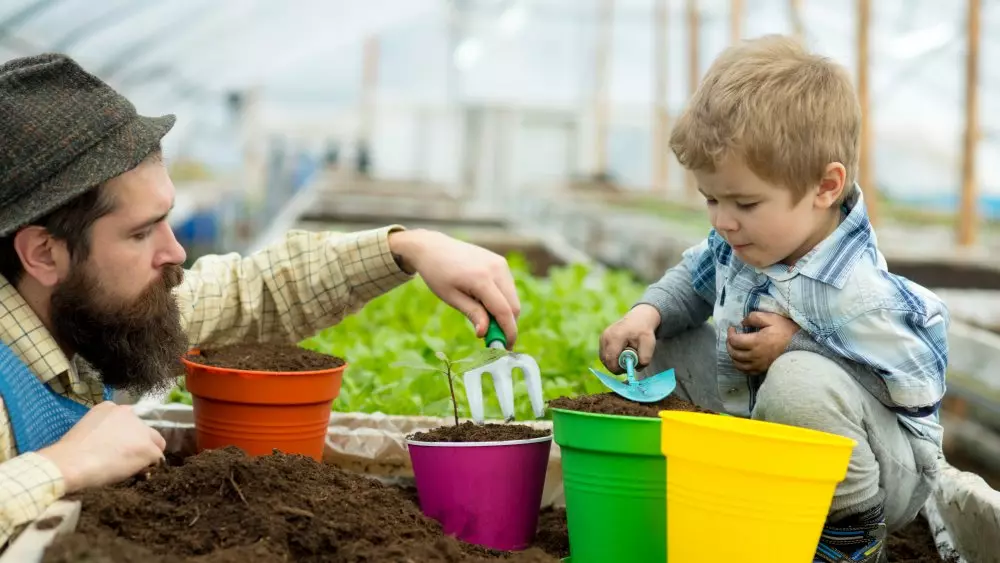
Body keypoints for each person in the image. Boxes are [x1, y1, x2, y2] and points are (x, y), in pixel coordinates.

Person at [0, 53, 523, 546]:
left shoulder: (88, 315)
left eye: (167, 220)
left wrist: (407, 247)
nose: (175, 251)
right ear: (44, 253)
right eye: (141, 234)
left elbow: (251, 292)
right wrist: (65, 465)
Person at [599, 35, 947, 563]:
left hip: (877, 474)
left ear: (825, 187)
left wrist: (801, 345)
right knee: (659, 348)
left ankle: (847, 540)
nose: (722, 219)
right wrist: (646, 314)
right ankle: (712, 496)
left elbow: (919, 386)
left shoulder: (859, 291)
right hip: (765, 438)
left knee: (799, 383)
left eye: (744, 202)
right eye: (711, 199)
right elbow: (694, 278)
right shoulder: (743, 240)